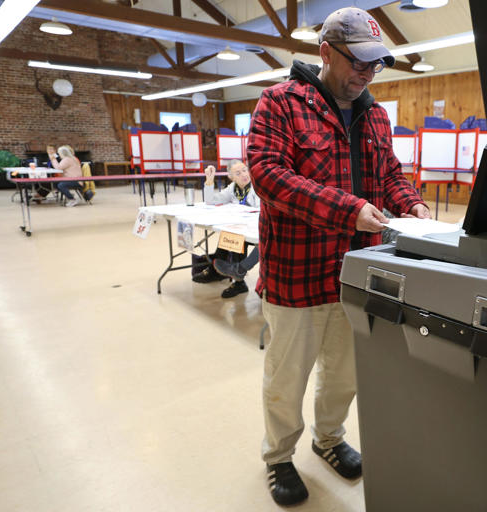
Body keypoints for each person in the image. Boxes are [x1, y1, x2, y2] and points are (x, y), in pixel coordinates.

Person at [247, 7, 430, 507]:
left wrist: (409, 202)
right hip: (296, 275)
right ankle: (279, 457)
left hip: (357, 275)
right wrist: (348, 210)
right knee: (286, 379)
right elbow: (268, 174)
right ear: (326, 52)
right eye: (359, 63)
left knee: (345, 373)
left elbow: (389, 172)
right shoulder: (280, 103)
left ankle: (329, 440)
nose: (367, 74)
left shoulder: (374, 114)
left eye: (377, 65)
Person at [191, 159, 260, 299]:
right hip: (242, 227)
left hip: (256, 229)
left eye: (245, 170)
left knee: (235, 236)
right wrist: (209, 181)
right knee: (230, 234)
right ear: (231, 177)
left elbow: (260, 210)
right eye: (238, 173)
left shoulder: (256, 187)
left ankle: (231, 277)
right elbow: (211, 201)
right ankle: (229, 277)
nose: (244, 175)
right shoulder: (233, 188)